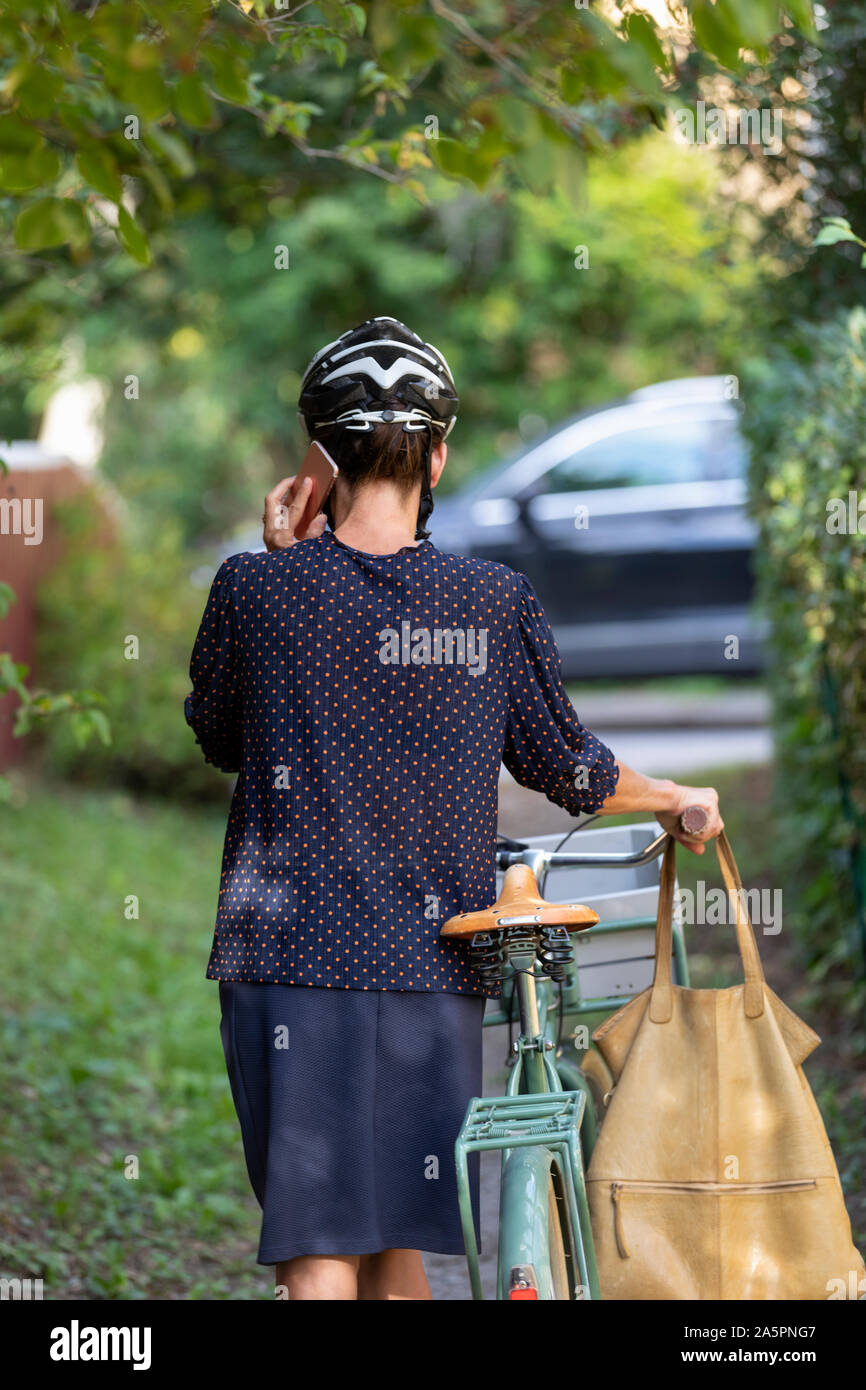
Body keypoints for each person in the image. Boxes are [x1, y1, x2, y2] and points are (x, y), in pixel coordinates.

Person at [185, 316, 723, 1302]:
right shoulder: (490, 598)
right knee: (400, 1237)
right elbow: (571, 769)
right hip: (430, 955)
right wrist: (678, 797)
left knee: (322, 1246)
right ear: (437, 453)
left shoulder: (251, 588)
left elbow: (223, 738)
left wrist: (273, 560)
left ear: (324, 452)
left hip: (286, 960)